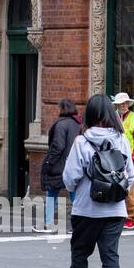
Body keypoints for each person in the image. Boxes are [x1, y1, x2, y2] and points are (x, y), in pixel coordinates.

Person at [59, 94, 134, 268]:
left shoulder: (82, 142)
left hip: (86, 209)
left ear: (89, 115)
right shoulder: (121, 140)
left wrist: (80, 189)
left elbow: (70, 177)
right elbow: (129, 176)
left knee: (80, 253)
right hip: (115, 209)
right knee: (110, 255)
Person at [39, 99, 81, 232]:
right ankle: (78, 225)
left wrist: (49, 161)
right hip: (74, 163)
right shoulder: (78, 124)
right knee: (75, 195)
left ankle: (49, 223)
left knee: (52, 192)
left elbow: (58, 146)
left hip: (59, 164)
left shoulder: (61, 125)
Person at [113, 93, 134, 229]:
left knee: (129, 188)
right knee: (113, 186)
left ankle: (131, 217)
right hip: (113, 158)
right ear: (117, 105)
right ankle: (116, 214)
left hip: (128, 159)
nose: (124, 106)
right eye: (121, 103)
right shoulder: (113, 117)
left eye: (125, 103)